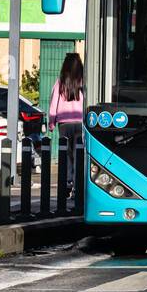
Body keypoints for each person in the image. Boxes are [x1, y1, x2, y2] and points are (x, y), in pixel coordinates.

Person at [49, 53, 84, 190]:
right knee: (78, 154)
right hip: (80, 123)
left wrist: (51, 123)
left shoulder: (60, 82)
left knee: (66, 154)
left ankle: (68, 182)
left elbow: (53, 104)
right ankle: (77, 185)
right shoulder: (83, 82)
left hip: (64, 123)